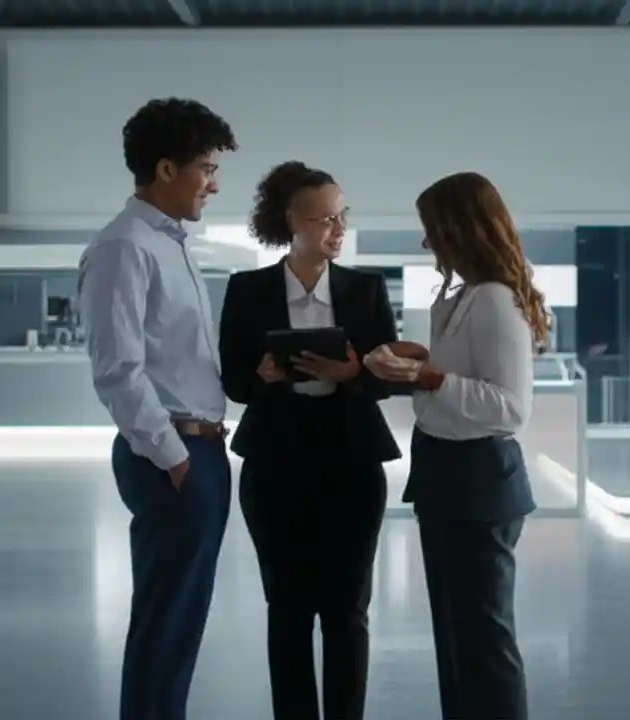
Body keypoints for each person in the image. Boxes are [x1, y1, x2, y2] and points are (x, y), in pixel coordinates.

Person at [219, 161, 400, 720]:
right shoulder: (247, 290)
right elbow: (234, 383)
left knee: (348, 610)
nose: (337, 228)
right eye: (324, 218)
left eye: (341, 215)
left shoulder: (365, 290)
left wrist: (353, 374)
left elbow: (387, 377)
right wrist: (262, 376)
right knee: (288, 610)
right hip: (276, 461)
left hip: (352, 459)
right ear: (289, 221)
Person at [365, 171, 549, 720]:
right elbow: (463, 379)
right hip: (449, 476)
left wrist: (428, 377)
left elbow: (510, 408)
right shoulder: (465, 295)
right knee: (457, 638)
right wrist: (424, 363)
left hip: (477, 481)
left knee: (483, 642)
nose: (427, 242)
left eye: (431, 229)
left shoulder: (493, 299)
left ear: (458, 229)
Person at [78, 97, 237, 720]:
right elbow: (118, 369)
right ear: (167, 169)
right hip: (171, 452)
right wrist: (175, 459)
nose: (214, 184)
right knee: (167, 622)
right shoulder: (125, 247)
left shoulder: (169, 243)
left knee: (179, 618)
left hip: (200, 447)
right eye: (206, 169)